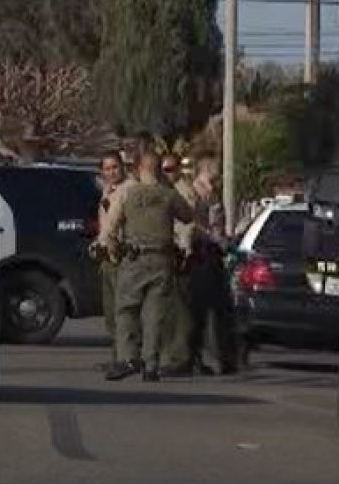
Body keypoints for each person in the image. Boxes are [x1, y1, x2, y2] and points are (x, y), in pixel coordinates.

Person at [100, 151, 194, 382]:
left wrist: (113, 252)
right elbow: (187, 215)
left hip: (134, 259)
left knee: (126, 309)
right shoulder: (169, 195)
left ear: (137, 168)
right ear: (159, 169)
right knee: (154, 314)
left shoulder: (126, 194)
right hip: (162, 260)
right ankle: (150, 365)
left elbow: (110, 229)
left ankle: (128, 358)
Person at [185, 158, 238, 374]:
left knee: (219, 310)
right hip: (200, 255)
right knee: (199, 311)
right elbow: (191, 224)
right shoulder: (192, 194)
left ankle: (222, 358)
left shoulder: (212, 194)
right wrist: (213, 237)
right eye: (214, 173)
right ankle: (194, 356)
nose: (218, 177)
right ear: (204, 170)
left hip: (214, 256)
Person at [93, 151, 136, 369]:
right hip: (107, 257)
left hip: (123, 255)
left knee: (123, 310)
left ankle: (126, 358)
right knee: (110, 311)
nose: (111, 172)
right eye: (107, 169)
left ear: (123, 168)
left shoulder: (130, 189)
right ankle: (117, 355)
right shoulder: (107, 191)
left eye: (115, 167)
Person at [160, 155, 197, 377]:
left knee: (180, 310)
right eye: (163, 170)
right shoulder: (168, 191)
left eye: (170, 169)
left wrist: (185, 250)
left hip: (180, 254)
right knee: (169, 309)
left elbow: (188, 225)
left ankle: (181, 358)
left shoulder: (183, 192)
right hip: (168, 253)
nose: (167, 174)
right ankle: (171, 356)